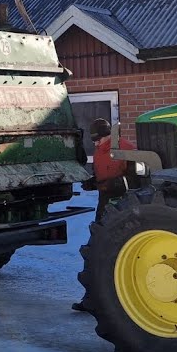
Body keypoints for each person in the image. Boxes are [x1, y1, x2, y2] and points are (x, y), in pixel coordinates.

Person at [73, 118, 137, 312]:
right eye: (93, 141)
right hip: (104, 206)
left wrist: (116, 185)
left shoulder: (126, 149)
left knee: (121, 254)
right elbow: (101, 176)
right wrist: (94, 182)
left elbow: (137, 179)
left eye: (99, 140)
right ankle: (91, 299)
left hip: (125, 207)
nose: (96, 144)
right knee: (96, 252)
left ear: (108, 135)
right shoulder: (99, 153)